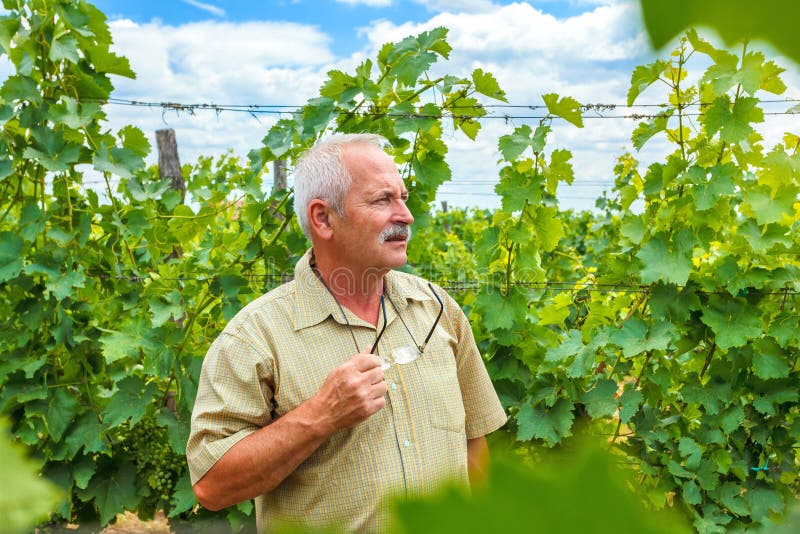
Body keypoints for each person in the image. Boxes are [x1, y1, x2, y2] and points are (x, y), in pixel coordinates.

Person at [186, 133, 506, 532]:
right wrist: (320, 416)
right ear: (323, 218)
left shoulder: (438, 310)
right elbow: (211, 485)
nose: (405, 215)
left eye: (403, 198)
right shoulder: (254, 338)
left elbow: (473, 441)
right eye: (383, 200)